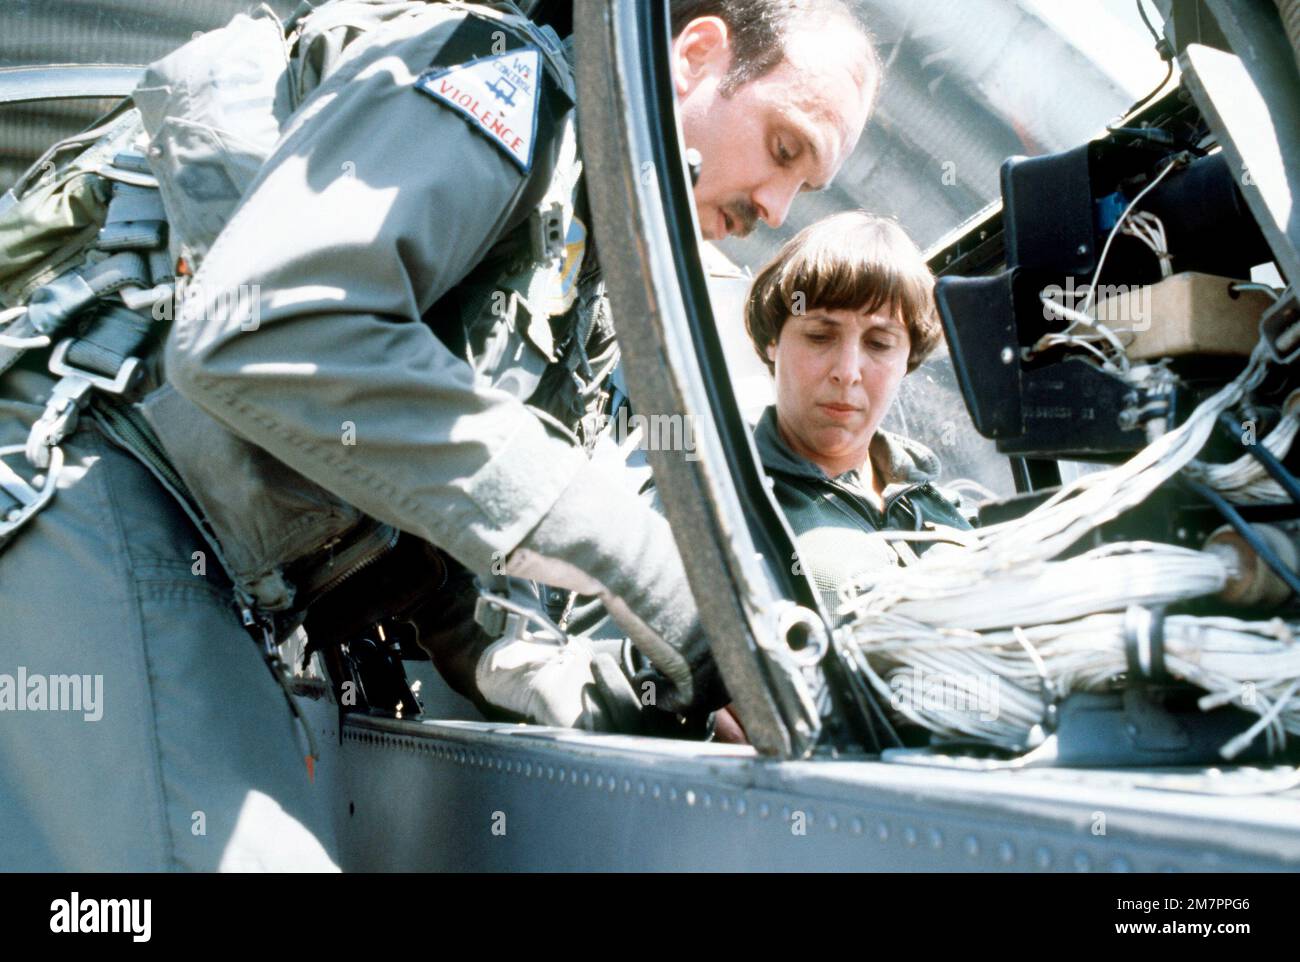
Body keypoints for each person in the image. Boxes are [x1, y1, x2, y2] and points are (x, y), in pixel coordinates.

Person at [0, 0, 880, 869]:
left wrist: (637, 692)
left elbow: (455, 570)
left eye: (805, 186)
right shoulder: (501, 76)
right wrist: (652, 571)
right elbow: (264, 327)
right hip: (91, 484)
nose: (776, 205)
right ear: (695, 55)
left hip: (208, 573)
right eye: (783, 148)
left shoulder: (579, 275)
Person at [742, 211, 973, 627]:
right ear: (773, 341)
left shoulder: (948, 512)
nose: (847, 370)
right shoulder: (717, 496)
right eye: (819, 335)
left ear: (909, 358)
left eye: (880, 343)